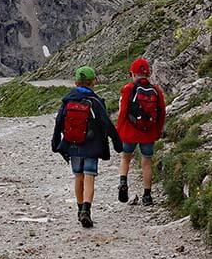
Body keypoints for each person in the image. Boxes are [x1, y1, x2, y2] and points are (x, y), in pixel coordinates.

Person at [52, 66, 123, 228]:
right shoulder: (96, 102)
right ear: (94, 82)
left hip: (73, 145)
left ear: (76, 82)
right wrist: (117, 144)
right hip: (92, 146)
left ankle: (79, 210)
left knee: (78, 177)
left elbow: (58, 123)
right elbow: (107, 124)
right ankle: (86, 210)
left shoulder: (67, 100)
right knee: (89, 177)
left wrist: (55, 143)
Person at [116, 57, 166, 206]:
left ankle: (123, 182)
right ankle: (147, 196)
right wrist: (158, 131)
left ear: (133, 73)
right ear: (148, 73)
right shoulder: (156, 91)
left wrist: (118, 131)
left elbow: (123, 111)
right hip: (148, 132)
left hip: (129, 132)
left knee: (125, 158)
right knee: (147, 162)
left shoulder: (128, 89)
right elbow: (162, 113)